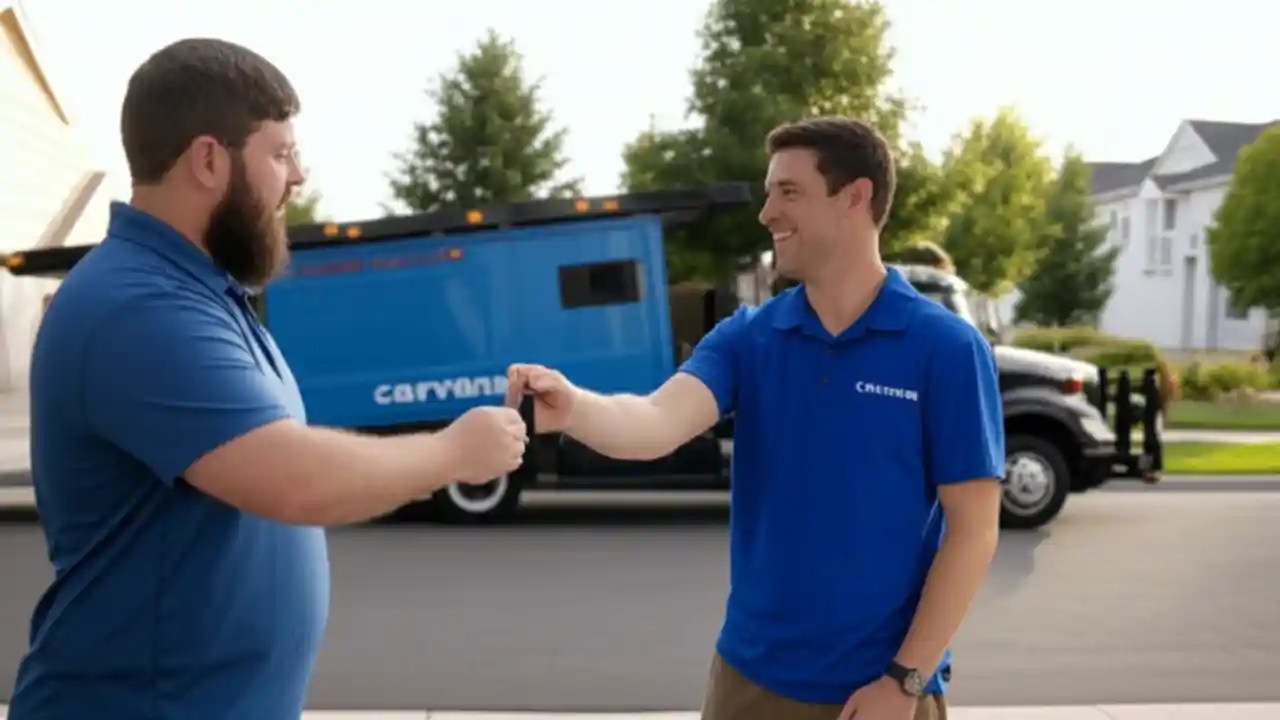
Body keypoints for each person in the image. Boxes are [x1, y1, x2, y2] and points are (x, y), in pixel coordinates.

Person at [9, 38, 528, 720]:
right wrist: (453, 452)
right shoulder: (138, 306)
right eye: (281, 153)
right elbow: (292, 477)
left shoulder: (198, 292)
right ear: (208, 159)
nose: (299, 176)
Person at [506, 117, 1004, 720]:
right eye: (769, 193)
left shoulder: (944, 348)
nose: (767, 212)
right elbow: (655, 421)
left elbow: (973, 532)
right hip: (748, 682)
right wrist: (575, 405)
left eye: (788, 192)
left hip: (878, 692)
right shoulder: (750, 338)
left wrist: (904, 680)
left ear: (856, 196)